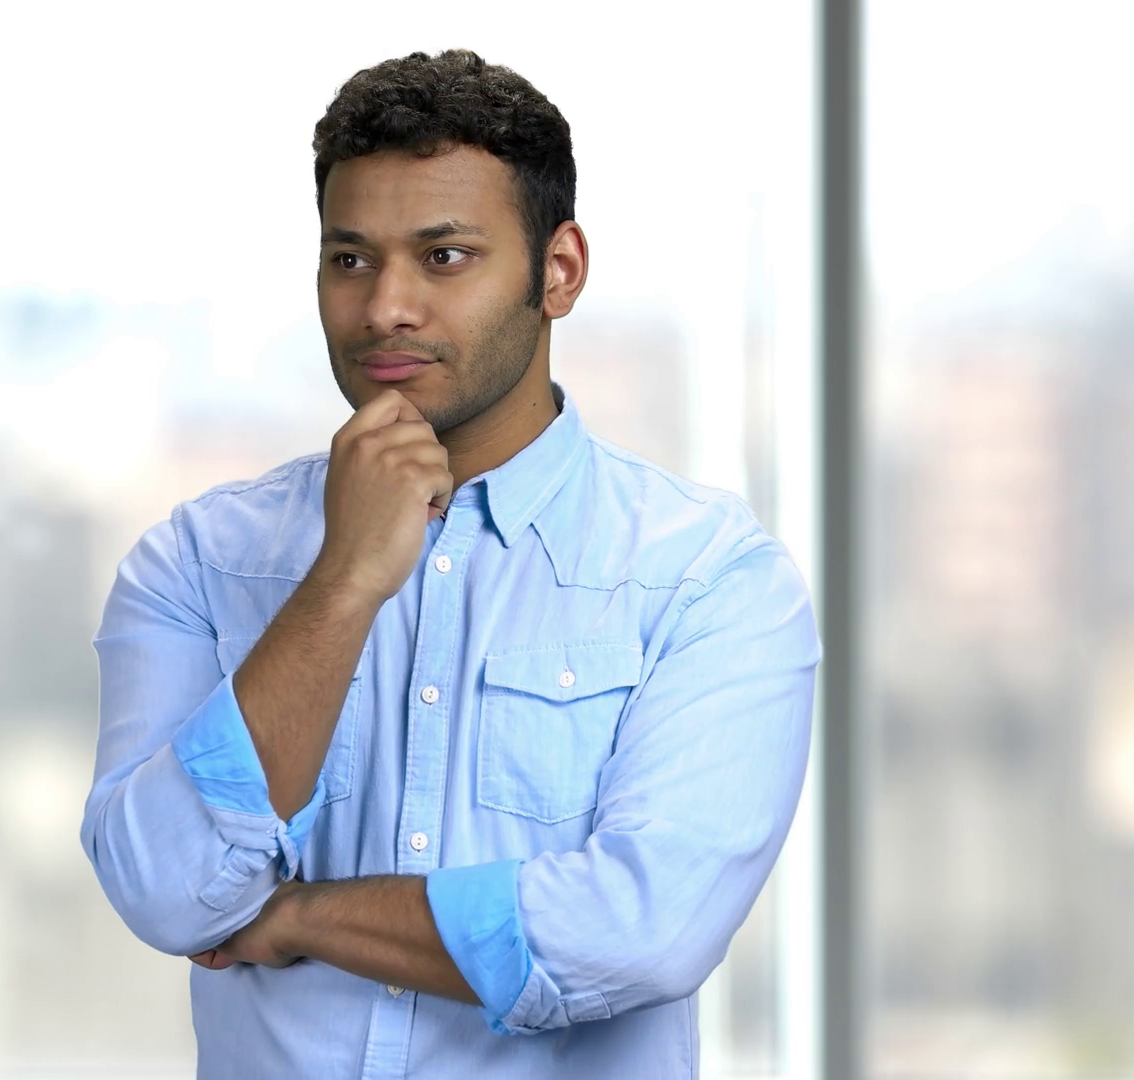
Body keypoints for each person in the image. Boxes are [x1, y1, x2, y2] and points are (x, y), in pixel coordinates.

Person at [80, 48, 820, 1080]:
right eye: (351, 259)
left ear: (558, 271)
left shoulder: (709, 580)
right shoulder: (197, 564)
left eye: (444, 257)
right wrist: (344, 581)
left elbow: (640, 929)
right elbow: (166, 888)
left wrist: (299, 916)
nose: (386, 305)